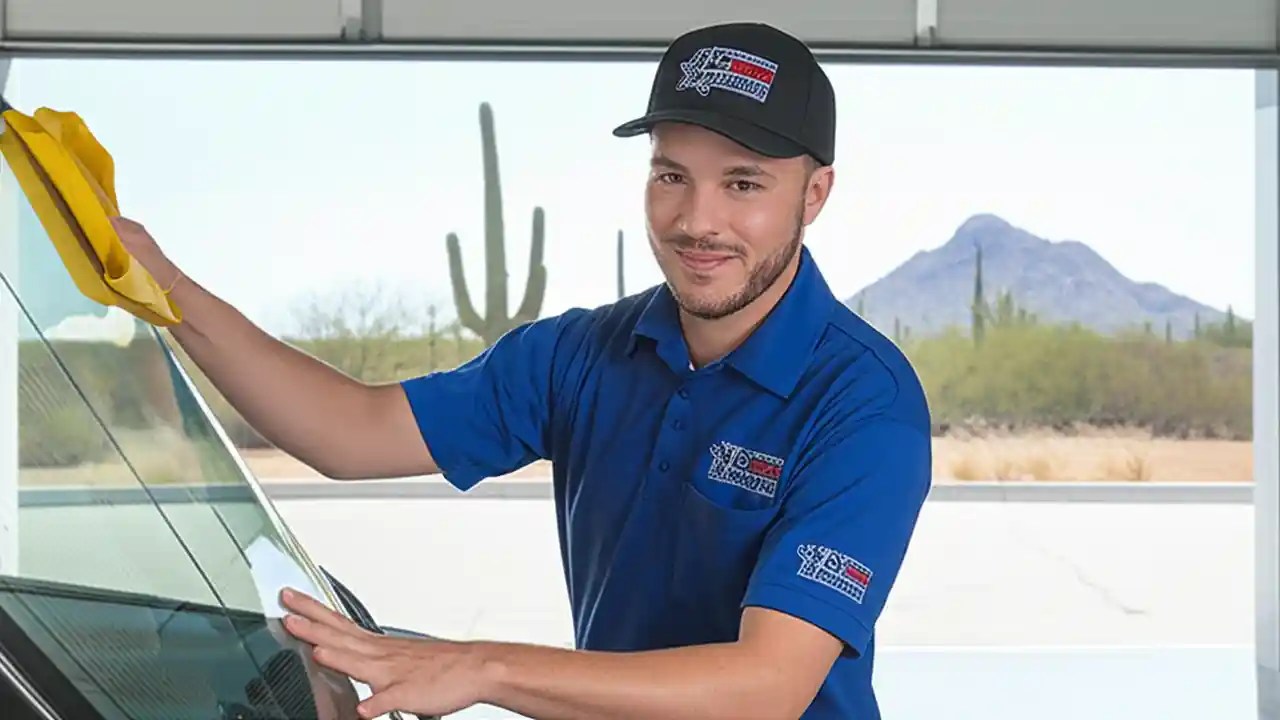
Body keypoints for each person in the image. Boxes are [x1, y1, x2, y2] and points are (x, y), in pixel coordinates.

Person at [113, 20, 932, 720]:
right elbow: (350, 434)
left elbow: (767, 686)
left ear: (814, 194)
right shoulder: (581, 356)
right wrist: (164, 287)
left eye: (743, 183)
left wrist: (481, 668)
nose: (696, 220)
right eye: (670, 175)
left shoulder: (865, 404)